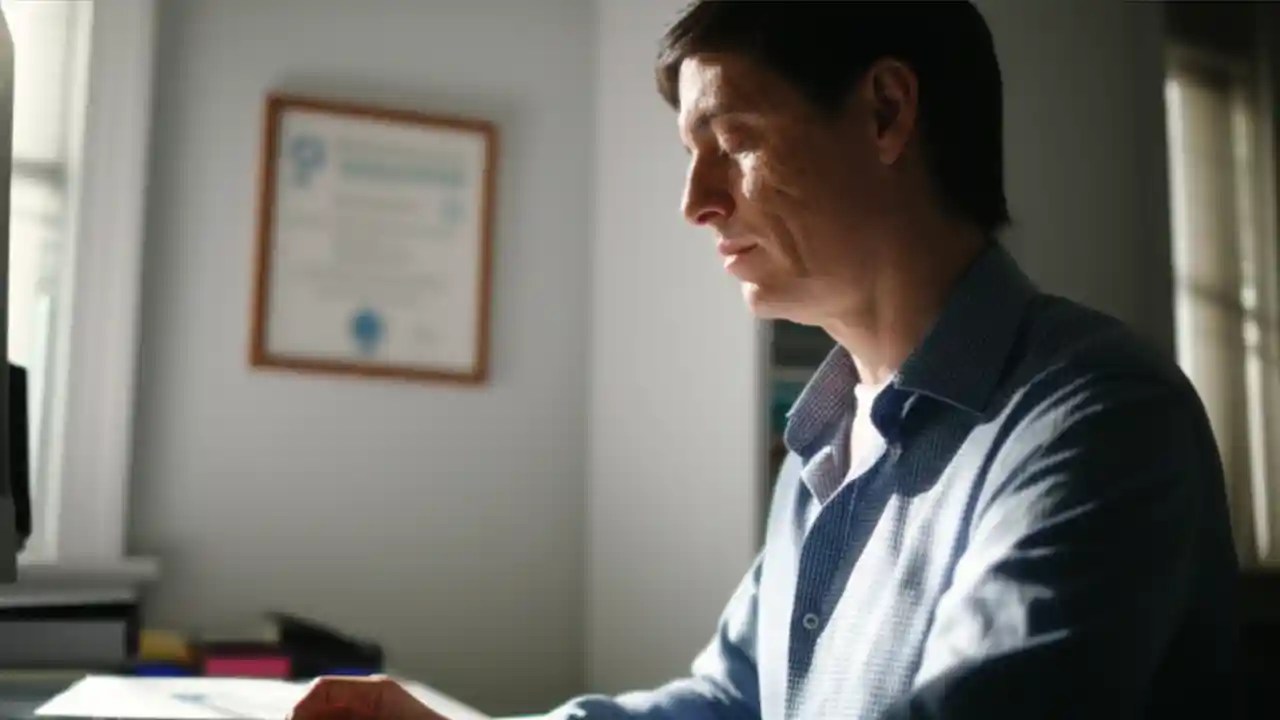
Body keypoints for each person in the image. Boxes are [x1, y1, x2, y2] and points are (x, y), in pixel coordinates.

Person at [290, 2, 1238, 718]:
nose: (695, 202)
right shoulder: (825, 443)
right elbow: (733, 700)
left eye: (733, 140)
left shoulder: (1098, 419)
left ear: (883, 111)